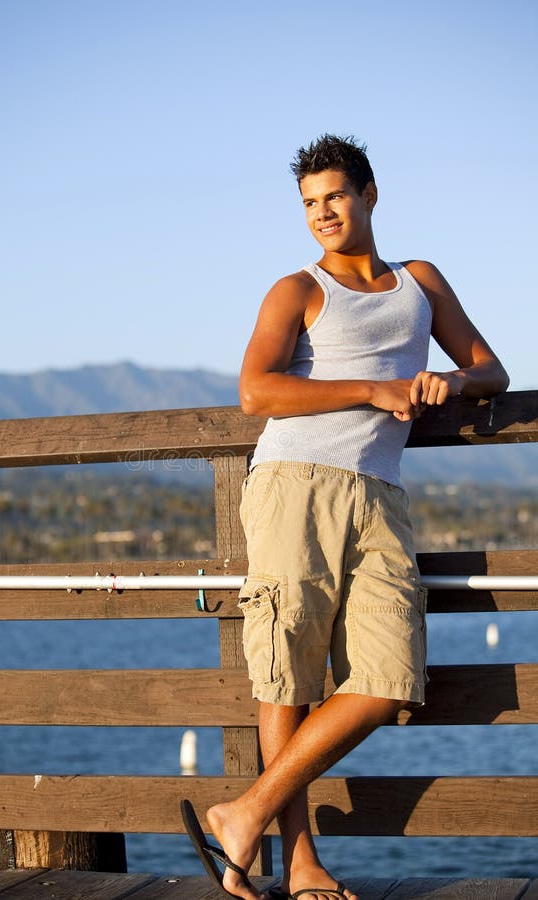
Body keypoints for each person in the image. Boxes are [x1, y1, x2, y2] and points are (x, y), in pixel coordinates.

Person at [181, 134, 509, 900]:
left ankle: (246, 812)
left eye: (335, 196)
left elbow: (492, 369)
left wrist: (446, 384)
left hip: (379, 491)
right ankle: (299, 865)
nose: (322, 213)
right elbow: (256, 394)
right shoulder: (295, 289)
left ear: (368, 194)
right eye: (309, 203)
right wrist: (370, 389)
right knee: (287, 675)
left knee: (391, 678)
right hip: (293, 481)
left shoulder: (418, 282)